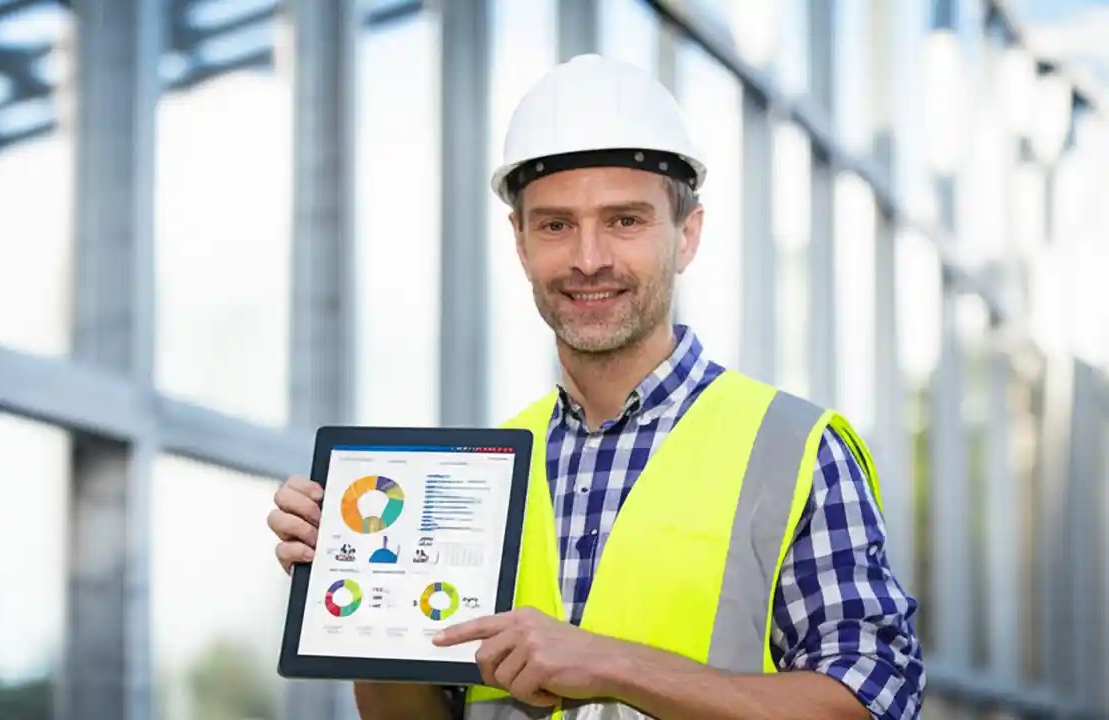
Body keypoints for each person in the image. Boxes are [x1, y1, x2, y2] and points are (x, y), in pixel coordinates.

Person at [268, 53, 924, 720]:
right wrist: (357, 604)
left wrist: (610, 663)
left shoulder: (794, 454)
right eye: (555, 225)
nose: (589, 259)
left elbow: (871, 704)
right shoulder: (477, 473)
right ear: (520, 242)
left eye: (625, 221)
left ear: (687, 235)